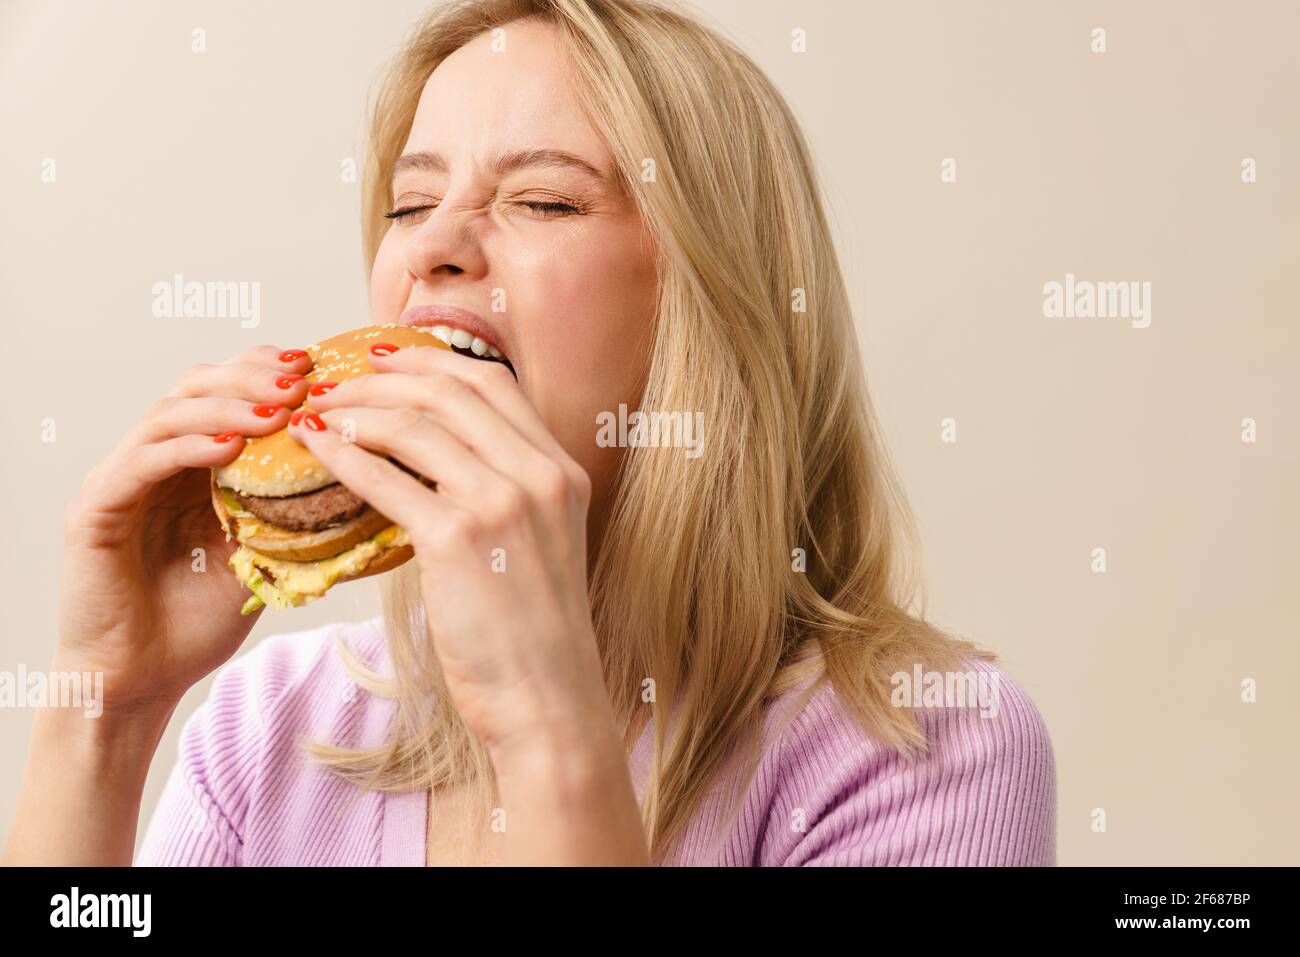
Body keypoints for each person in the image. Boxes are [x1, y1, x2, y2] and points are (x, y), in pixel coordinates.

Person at [3, 0, 1055, 867]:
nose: (436, 251)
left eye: (543, 201)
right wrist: (104, 712)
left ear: (711, 299)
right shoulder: (269, 726)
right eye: (411, 206)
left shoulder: (926, 744)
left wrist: (546, 732)